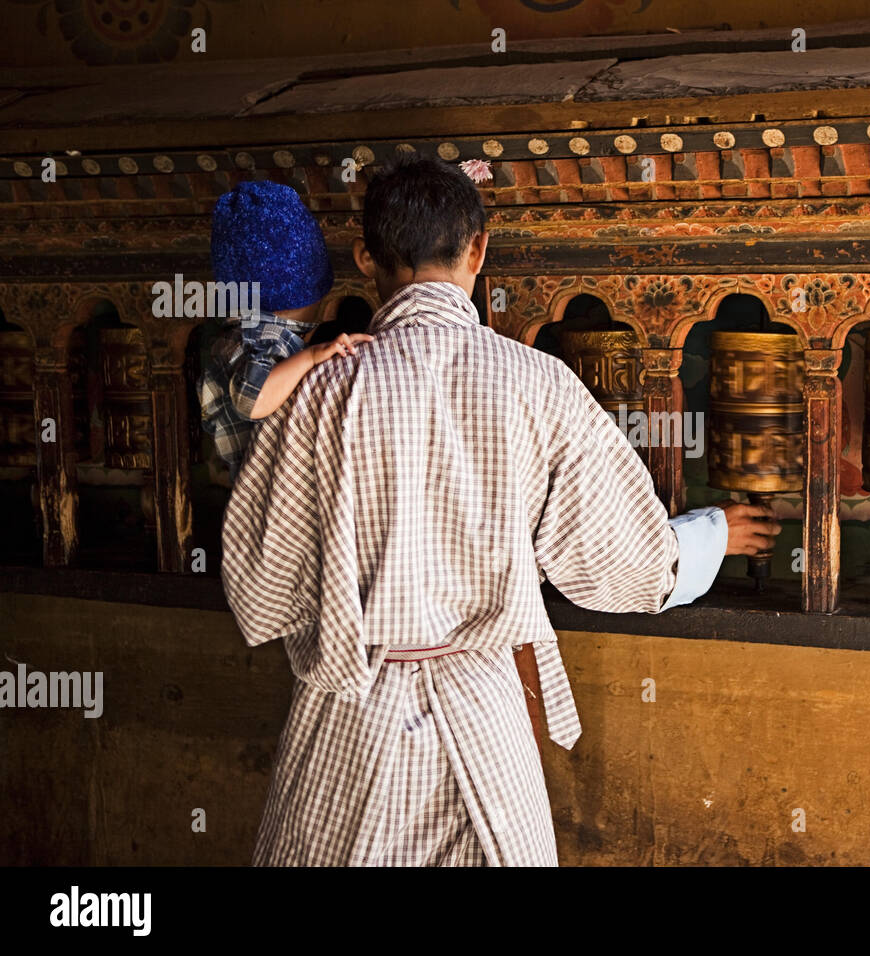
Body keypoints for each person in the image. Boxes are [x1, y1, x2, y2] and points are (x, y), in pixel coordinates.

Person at [220, 156, 780, 866]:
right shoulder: (539, 384)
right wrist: (711, 538)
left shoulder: (322, 390)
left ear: (366, 259)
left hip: (349, 723)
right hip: (486, 715)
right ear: (479, 250)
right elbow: (624, 563)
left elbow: (261, 592)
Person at [198, 179, 371, 482]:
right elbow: (251, 398)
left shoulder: (234, 337)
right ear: (306, 293)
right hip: (267, 498)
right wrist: (313, 356)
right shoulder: (268, 340)